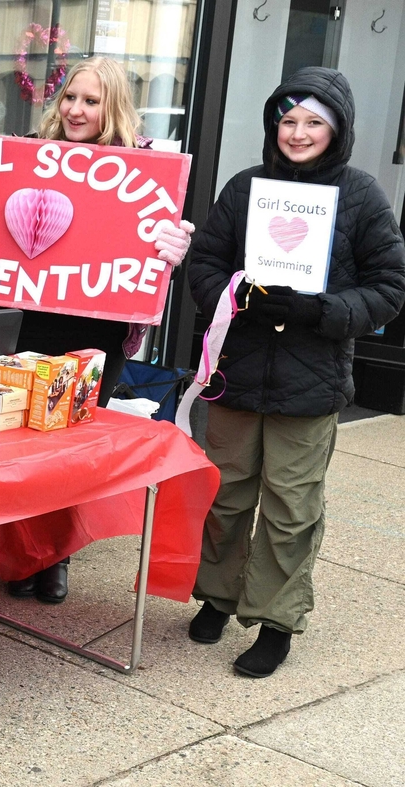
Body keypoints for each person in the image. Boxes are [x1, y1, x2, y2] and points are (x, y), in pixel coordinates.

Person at [186, 68, 405, 678]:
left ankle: (277, 619)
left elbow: (390, 288)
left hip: (311, 382)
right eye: (288, 120)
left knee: (291, 508)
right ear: (272, 125)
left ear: (337, 131)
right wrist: (233, 297)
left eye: (314, 122)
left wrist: (321, 310)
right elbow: (203, 264)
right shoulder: (245, 188)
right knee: (225, 496)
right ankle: (217, 597)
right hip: (238, 371)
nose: (299, 133)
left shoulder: (362, 197)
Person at [0, 56, 195, 604]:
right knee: (20, 443)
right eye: (70, 98)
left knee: (71, 450)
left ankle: (55, 556)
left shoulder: (144, 171)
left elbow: (153, 257)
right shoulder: (29, 156)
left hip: (95, 331)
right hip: (28, 322)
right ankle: (16, 556)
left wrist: (170, 247)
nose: (77, 110)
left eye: (91, 100)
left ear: (113, 107)